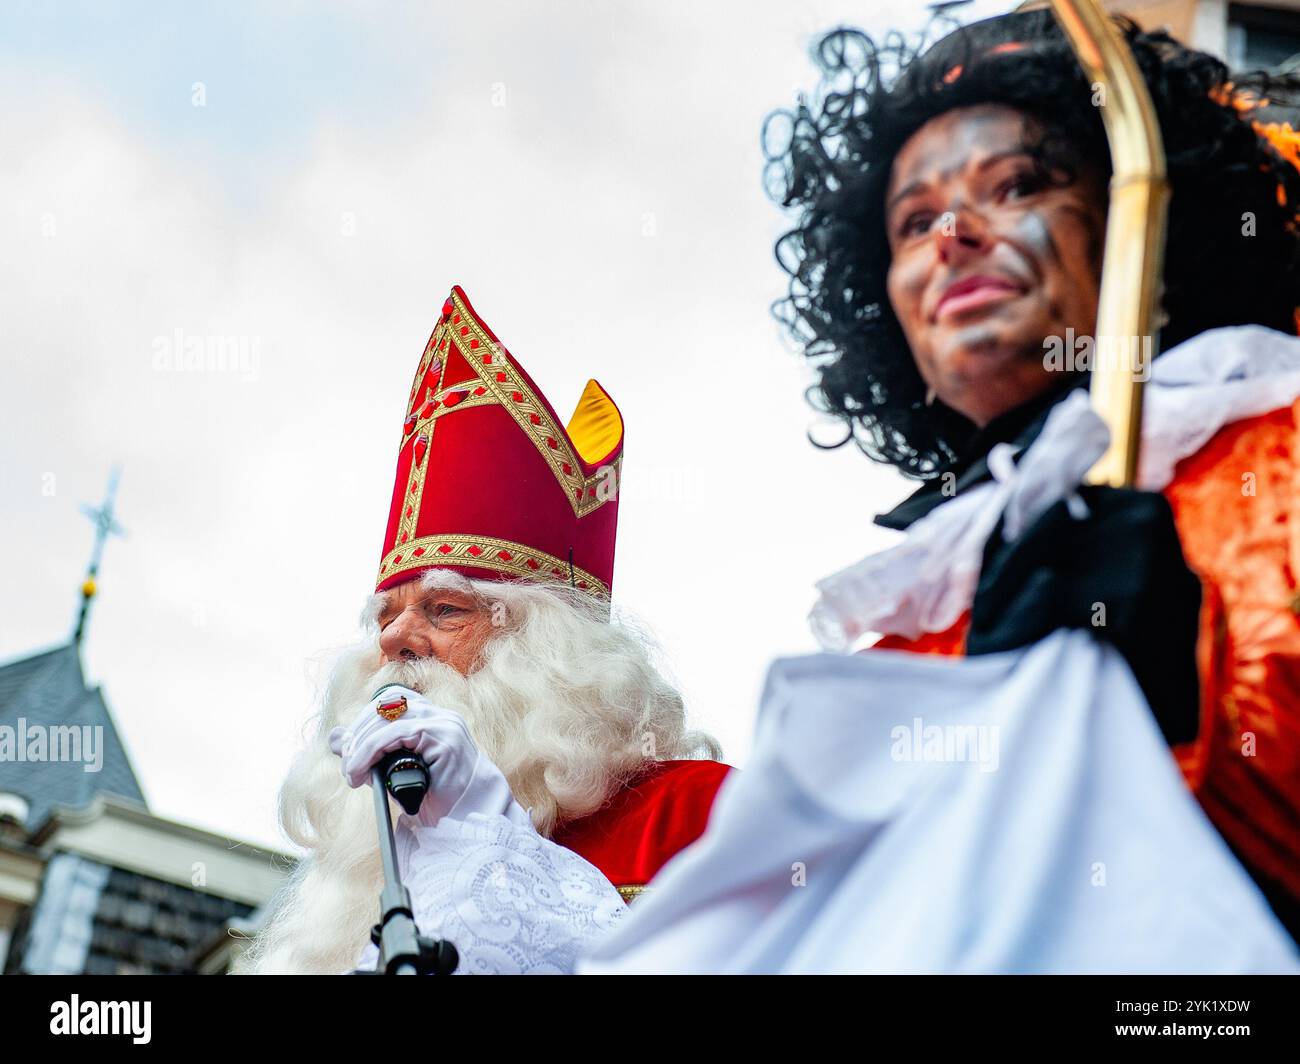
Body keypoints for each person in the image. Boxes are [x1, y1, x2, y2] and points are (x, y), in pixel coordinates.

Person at [581, 8, 1300, 973]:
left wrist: (1188, 724)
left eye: (1017, 185)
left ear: (1144, 223)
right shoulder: (908, 633)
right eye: (915, 222)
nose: (953, 238)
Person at [239, 286, 730, 974]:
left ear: (554, 655)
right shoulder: (342, 890)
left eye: (444, 610)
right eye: (386, 616)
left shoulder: (699, 824)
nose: (394, 640)